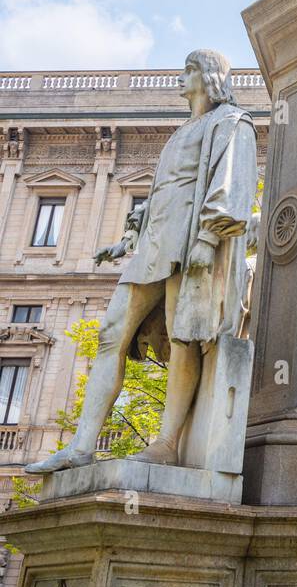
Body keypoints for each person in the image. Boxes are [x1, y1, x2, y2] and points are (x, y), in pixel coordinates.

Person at [26, 50, 257, 473]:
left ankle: (167, 442)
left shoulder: (231, 123)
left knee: (183, 335)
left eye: (188, 70)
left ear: (208, 76)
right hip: (154, 245)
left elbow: (230, 184)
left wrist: (207, 240)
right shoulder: (183, 130)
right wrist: (128, 237)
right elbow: (162, 193)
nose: (180, 77)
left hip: (189, 246)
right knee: (111, 333)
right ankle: (81, 445)